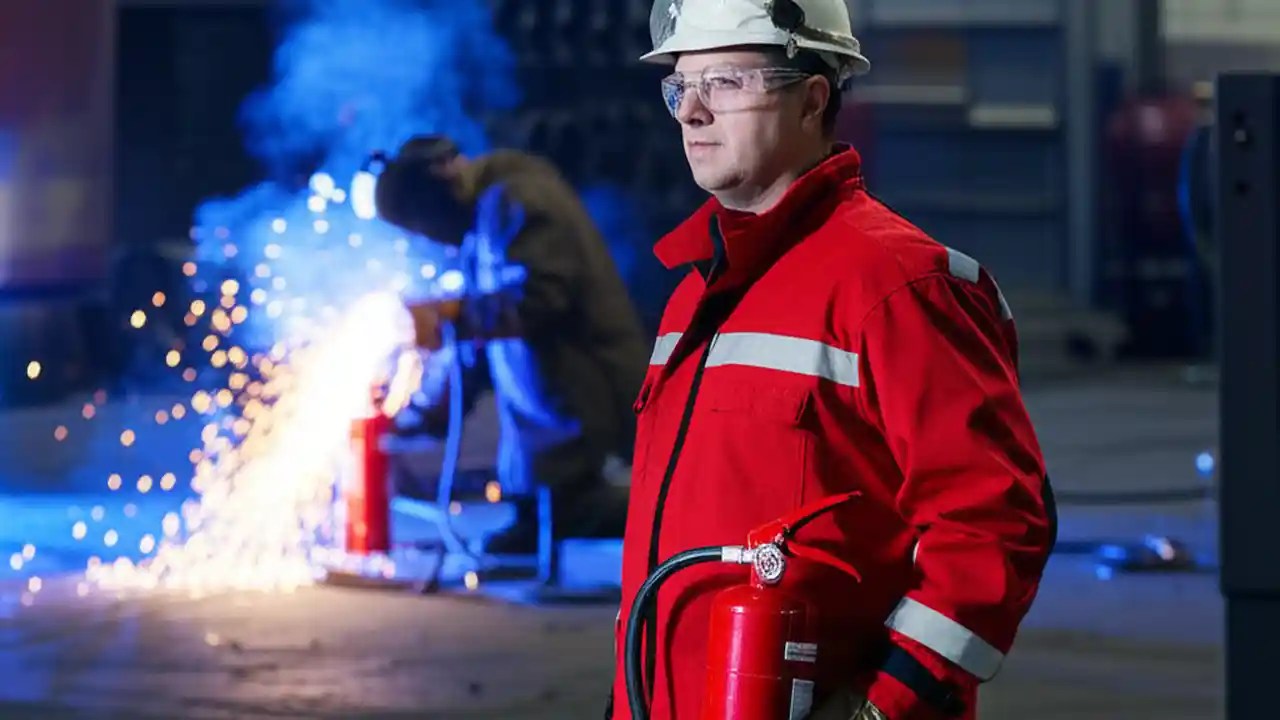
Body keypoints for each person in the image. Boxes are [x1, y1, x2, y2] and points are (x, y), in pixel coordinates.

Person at [608, 1, 1057, 719]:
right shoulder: (693, 294)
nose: (690, 112)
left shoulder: (899, 286)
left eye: (724, 82)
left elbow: (993, 527)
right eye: (679, 86)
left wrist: (888, 704)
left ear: (813, 98)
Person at [373, 134, 648, 552]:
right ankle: (543, 511)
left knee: (583, 511)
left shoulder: (517, 197)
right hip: (552, 430)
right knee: (538, 519)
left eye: (421, 223)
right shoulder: (483, 221)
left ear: (438, 190)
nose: (428, 236)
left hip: (589, 401)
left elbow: (541, 297)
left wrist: (450, 314)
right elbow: (477, 346)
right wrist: (421, 414)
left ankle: (673, 509)